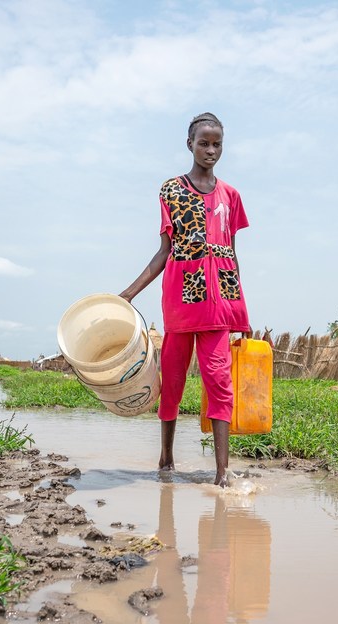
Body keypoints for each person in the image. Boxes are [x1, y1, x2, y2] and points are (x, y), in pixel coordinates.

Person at [119, 112, 251, 487]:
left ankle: (222, 474)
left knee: (218, 380)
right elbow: (164, 252)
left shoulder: (231, 196)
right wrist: (128, 294)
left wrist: (241, 308)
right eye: (203, 143)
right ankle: (166, 458)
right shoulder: (171, 191)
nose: (211, 150)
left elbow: (231, 252)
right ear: (189, 144)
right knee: (173, 380)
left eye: (217, 144)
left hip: (220, 304)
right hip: (181, 299)